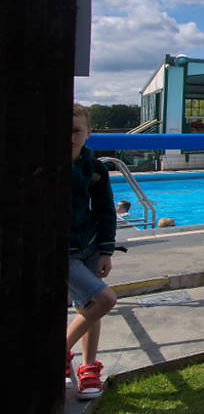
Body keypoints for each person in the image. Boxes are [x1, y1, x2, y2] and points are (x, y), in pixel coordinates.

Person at [67, 103, 118, 400]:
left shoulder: (95, 168)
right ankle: (61, 354)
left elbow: (104, 211)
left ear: (88, 133)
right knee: (104, 300)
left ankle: (87, 367)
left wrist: (105, 250)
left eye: (76, 131)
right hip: (64, 252)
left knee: (86, 308)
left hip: (88, 246)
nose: (70, 137)